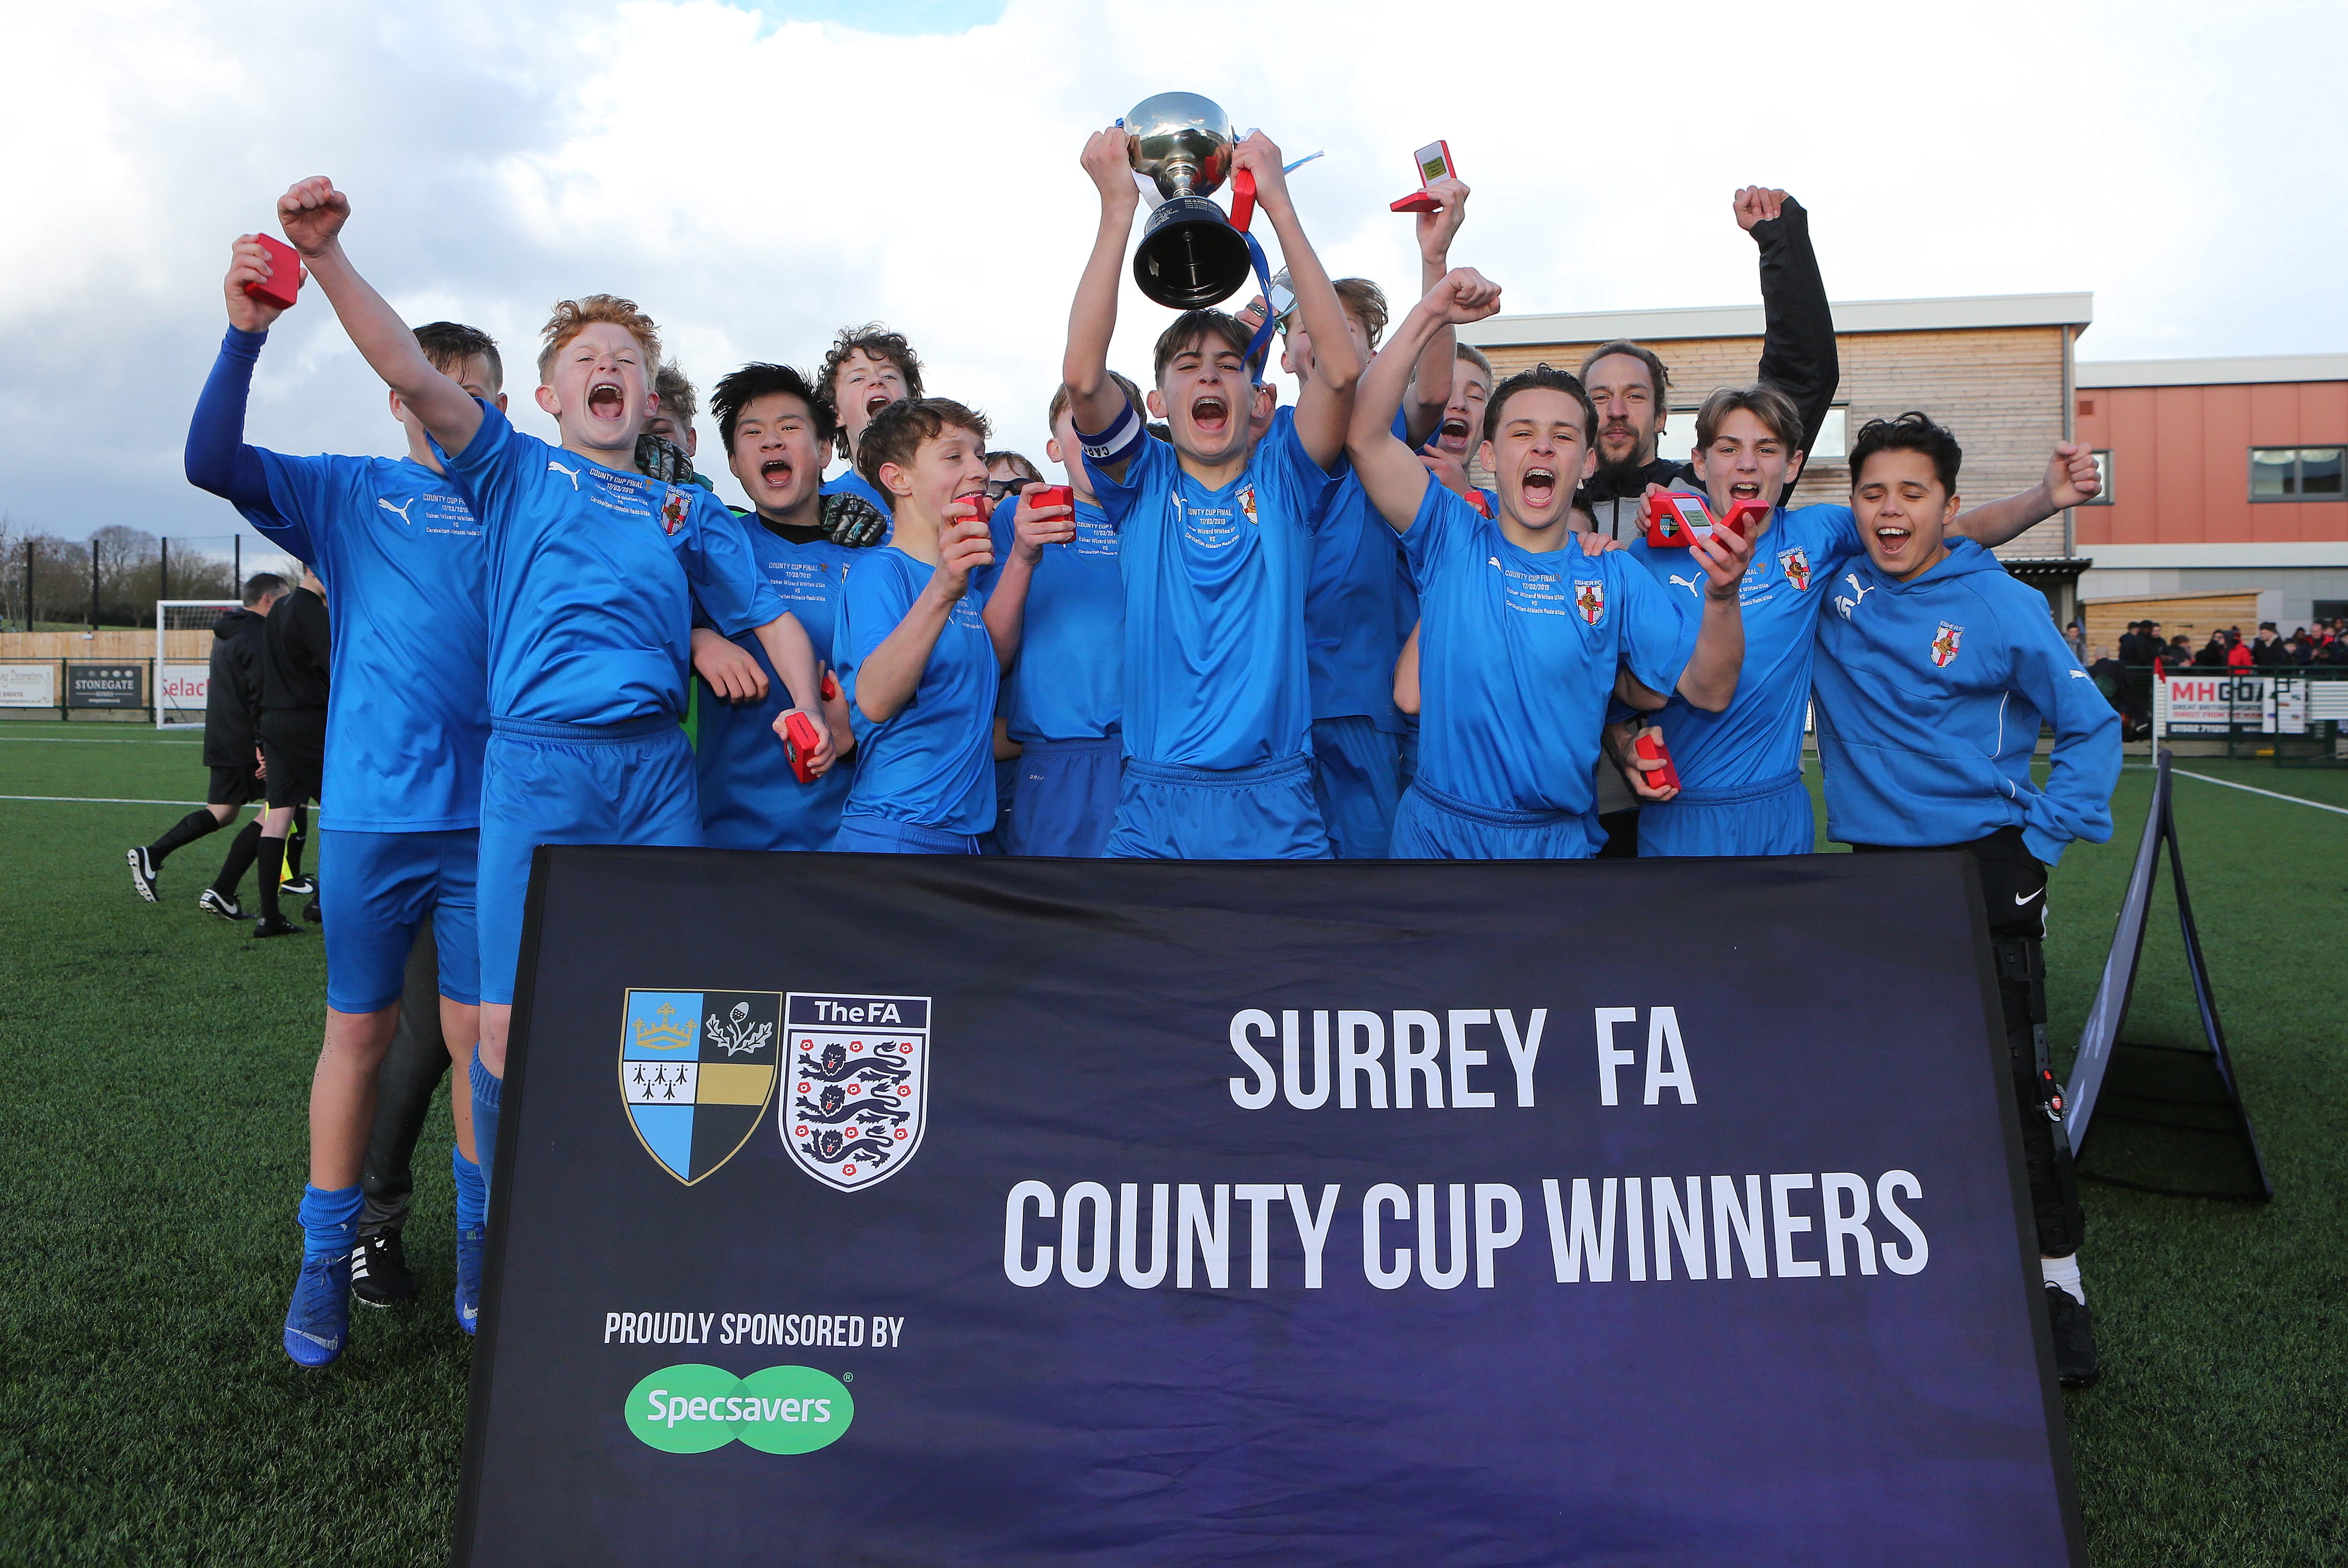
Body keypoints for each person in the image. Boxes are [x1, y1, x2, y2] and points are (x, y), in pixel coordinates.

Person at [275, 179, 833, 1359]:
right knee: (502, 1031)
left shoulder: (686, 514)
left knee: (671, 1011)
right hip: (536, 770)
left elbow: (768, 621)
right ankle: (492, 1249)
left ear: (647, 393)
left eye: (627, 353)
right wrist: (326, 258)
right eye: (587, 352)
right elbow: (414, 374)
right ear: (546, 393)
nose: (608, 363)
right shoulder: (516, 470)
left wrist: (806, 706)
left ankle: (663, 1228)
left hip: (652, 775)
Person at [1809, 411, 2119, 1388]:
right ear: (1849, 502)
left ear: (1948, 506)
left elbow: (2091, 729)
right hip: (1871, 873)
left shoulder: (1997, 607)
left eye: (1913, 493)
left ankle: (2054, 1283)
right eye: (1871, 492)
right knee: (1889, 1082)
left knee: (2013, 1094)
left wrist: (2033, 848)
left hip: (1979, 869)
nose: (1889, 511)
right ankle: (1922, 1265)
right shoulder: (1837, 581)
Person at [1348, 271, 1754, 857]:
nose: (1541, 447)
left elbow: (1709, 692)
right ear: (1489, 454)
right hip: (1438, 840)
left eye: (1562, 436)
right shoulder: (1451, 538)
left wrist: (1720, 599)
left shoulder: (1614, 575)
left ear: (1586, 462)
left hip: (1556, 851)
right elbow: (1364, 435)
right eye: (1522, 433)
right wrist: (1432, 310)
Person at [1606, 385, 2106, 857]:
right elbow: (1605, 686)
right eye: (1728, 448)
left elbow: (1946, 528)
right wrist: (1625, 743)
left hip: (1778, 810)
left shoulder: (1818, 534)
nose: (1746, 463)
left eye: (1765, 448)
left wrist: (2045, 498)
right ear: (1699, 461)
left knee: (1780, 951)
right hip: (1681, 814)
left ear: (1792, 463)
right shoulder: (1648, 559)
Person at [1064, 125, 1361, 860]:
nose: (1208, 376)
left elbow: (1342, 371)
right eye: (1188, 365)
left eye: (1229, 365)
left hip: (1276, 801)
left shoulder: (1286, 478)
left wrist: (1281, 208)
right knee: (1139, 980)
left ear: (1255, 393)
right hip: (1154, 805)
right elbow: (1081, 377)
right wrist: (1115, 215)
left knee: (1291, 979)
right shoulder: (1140, 482)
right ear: (1158, 403)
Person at [1576, 187, 1840, 858]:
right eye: (1598, 398)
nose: (1615, 411)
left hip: (1696, 797)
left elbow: (1796, 380)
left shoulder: (1709, 497)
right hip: (1580, 803)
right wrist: (1624, 730)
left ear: (1665, 419)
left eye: (1634, 396)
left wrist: (1779, 246)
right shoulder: (1548, 510)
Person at [831, 398, 1022, 853]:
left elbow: (986, 668)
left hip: (962, 840)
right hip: (897, 838)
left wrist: (1024, 557)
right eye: (954, 456)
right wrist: (943, 589)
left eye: (979, 454)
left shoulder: (964, 584)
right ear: (898, 479)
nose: (977, 470)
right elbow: (874, 699)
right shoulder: (879, 574)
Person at [693, 362, 863, 852]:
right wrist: (694, 640)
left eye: (789, 428)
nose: (771, 442)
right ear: (732, 461)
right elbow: (640, 624)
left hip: (855, 829)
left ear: (825, 449)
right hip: (734, 833)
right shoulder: (713, 550)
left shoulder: (878, 557)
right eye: (753, 433)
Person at [984, 378, 1140, 856]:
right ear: (1054, 448)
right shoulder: (1017, 517)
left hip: (1156, 761)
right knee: (1057, 924)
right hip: (1058, 763)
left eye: (1113, 420)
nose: (1097, 433)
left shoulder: (1160, 515)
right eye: (1081, 422)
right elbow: (987, 648)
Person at [127, 571, 286, 915]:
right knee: (282, 808)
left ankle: (153, 855)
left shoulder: (229, 632)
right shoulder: (256, 636)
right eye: (283, 600)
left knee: (224, 813)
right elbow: (260, 694)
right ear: (269, 600)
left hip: (224, 737)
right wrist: (264, 744)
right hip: (246, 740)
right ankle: (223, 890)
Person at [254, 565, 330, 938]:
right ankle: (323, 901)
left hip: (275, 720)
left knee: (278, 818)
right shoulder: (309, 608)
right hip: (307, 722)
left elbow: (263, 674)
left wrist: (259, 736)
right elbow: (336, 665)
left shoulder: (279, 609)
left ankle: (269, 916)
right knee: (338, 808)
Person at [817, 325, 925, 523]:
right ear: (836, 415)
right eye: (858, 378)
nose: (876, 381)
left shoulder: (943, 491)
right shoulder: (821, 504)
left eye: (889, 376)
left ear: (912, 402)